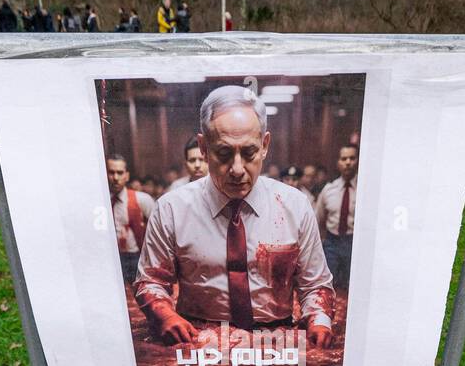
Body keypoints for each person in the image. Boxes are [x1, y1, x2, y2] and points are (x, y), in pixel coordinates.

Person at [135, 85, 334, 347]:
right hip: (197, 340)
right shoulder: (172, 209)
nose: (238, 169)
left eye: (249, 153)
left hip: (274, 340)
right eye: (224, 153)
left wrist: (319, 319)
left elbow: (315, 284)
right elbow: (151, 282)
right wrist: (165, 315)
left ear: (264, 145)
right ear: (204, 148)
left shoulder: (294, 206)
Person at [106, 154, 156, 285]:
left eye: (120, 173)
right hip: (112, 258)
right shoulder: (101, 202)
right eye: (111, 173)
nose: (115, 178)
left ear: (126, 176)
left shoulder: (142, 199)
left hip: (136, 257)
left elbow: (159, 229)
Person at [314, 144, 358, 290]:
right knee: (328, 286)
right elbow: (317, 220)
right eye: (344, 158)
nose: (348, 162)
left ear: (358, 160)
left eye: (352, 158)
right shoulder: (329, 189)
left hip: (354, 243)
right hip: (332, 243)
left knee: (351, 287)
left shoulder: (365, 190)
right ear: (338, 163)